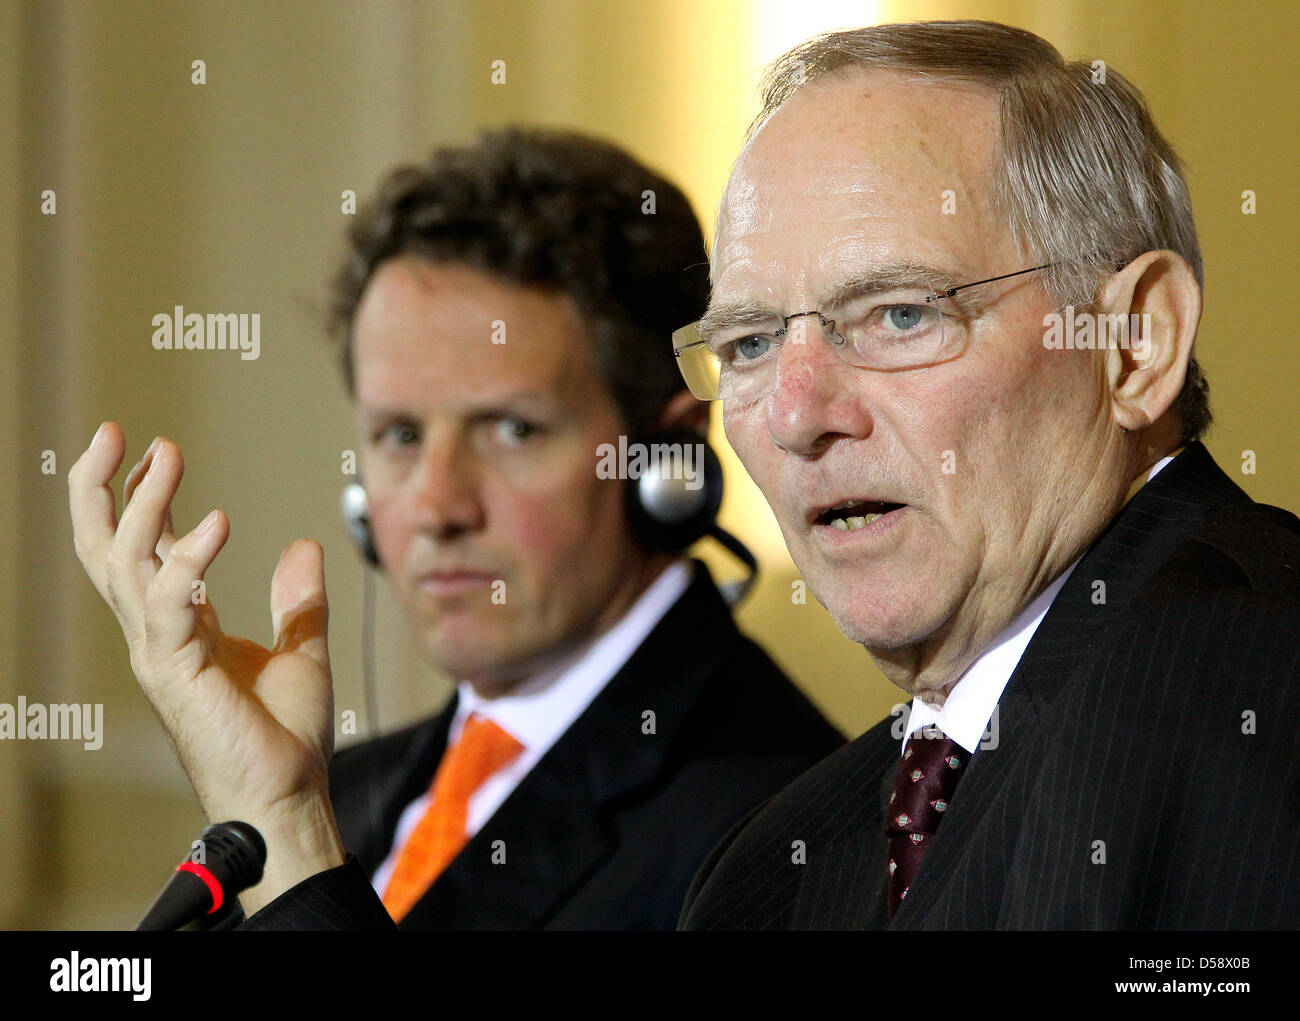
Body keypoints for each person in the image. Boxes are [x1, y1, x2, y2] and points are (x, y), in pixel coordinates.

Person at [67, 128, 842, 930]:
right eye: (400, 435)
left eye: (511, 430)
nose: (436, 507)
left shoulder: (788, 830)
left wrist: (287, 834)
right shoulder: (337, 787)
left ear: (666, 463)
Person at [676, 21, 1300, 929]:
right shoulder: (771, 867)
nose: (796, 412)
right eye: (752, 342)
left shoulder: (1250, 687)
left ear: (1135, 342)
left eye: (898, 314)